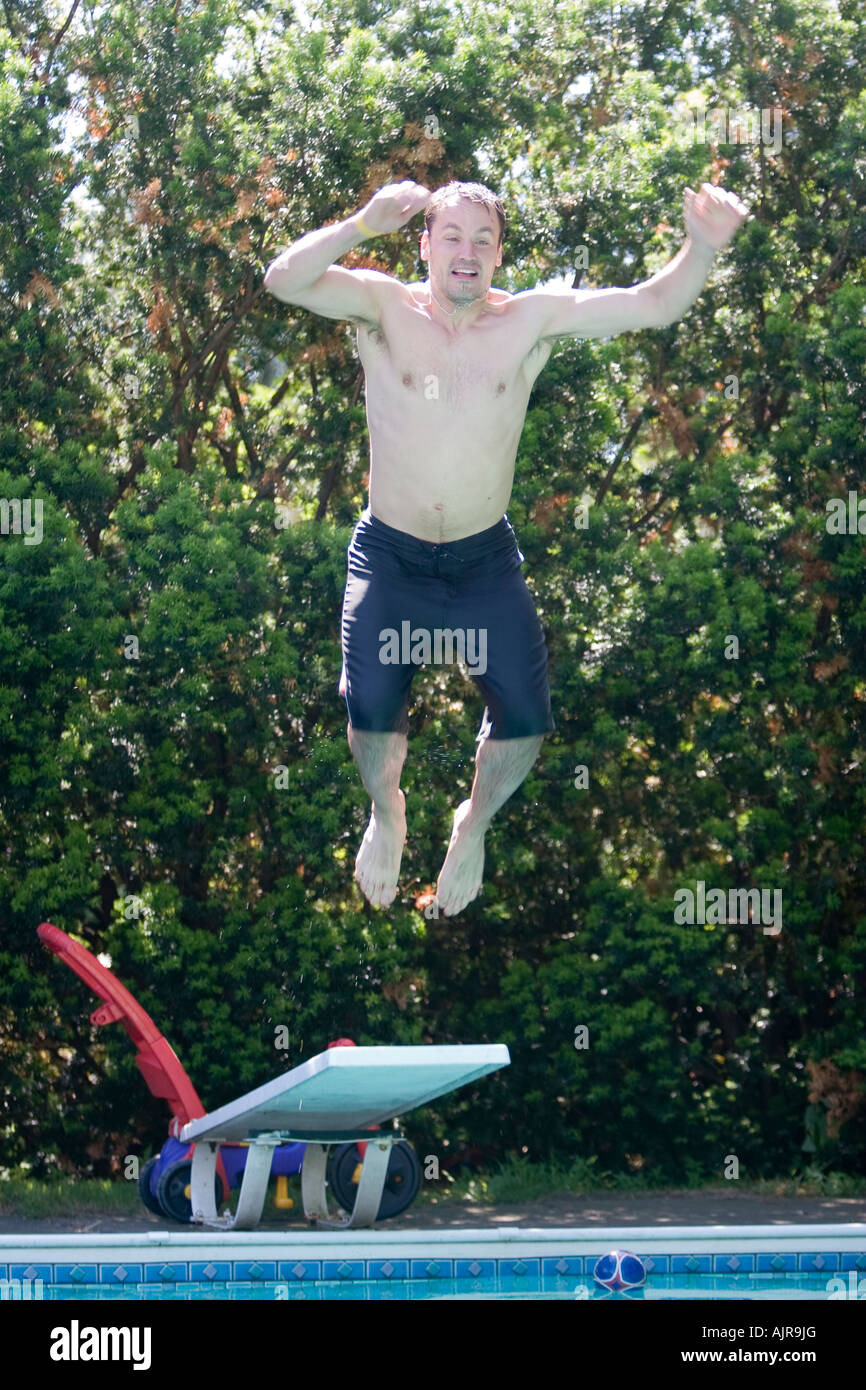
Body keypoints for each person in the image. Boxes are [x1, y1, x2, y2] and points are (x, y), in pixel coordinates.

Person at [264, 178, 748, 915]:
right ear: (424, 245)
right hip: (391, 555)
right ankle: (386, 813)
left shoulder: (530, 321)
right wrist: (362, 222)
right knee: (369, 710)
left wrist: (702, 249)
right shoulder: (382, 306)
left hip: (482, 560)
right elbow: (284, 278)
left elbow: (655, 304)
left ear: (498, 255)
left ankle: (473, 823)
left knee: (525, 717)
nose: (468, 253)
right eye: (452, 237)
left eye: (483, 241)